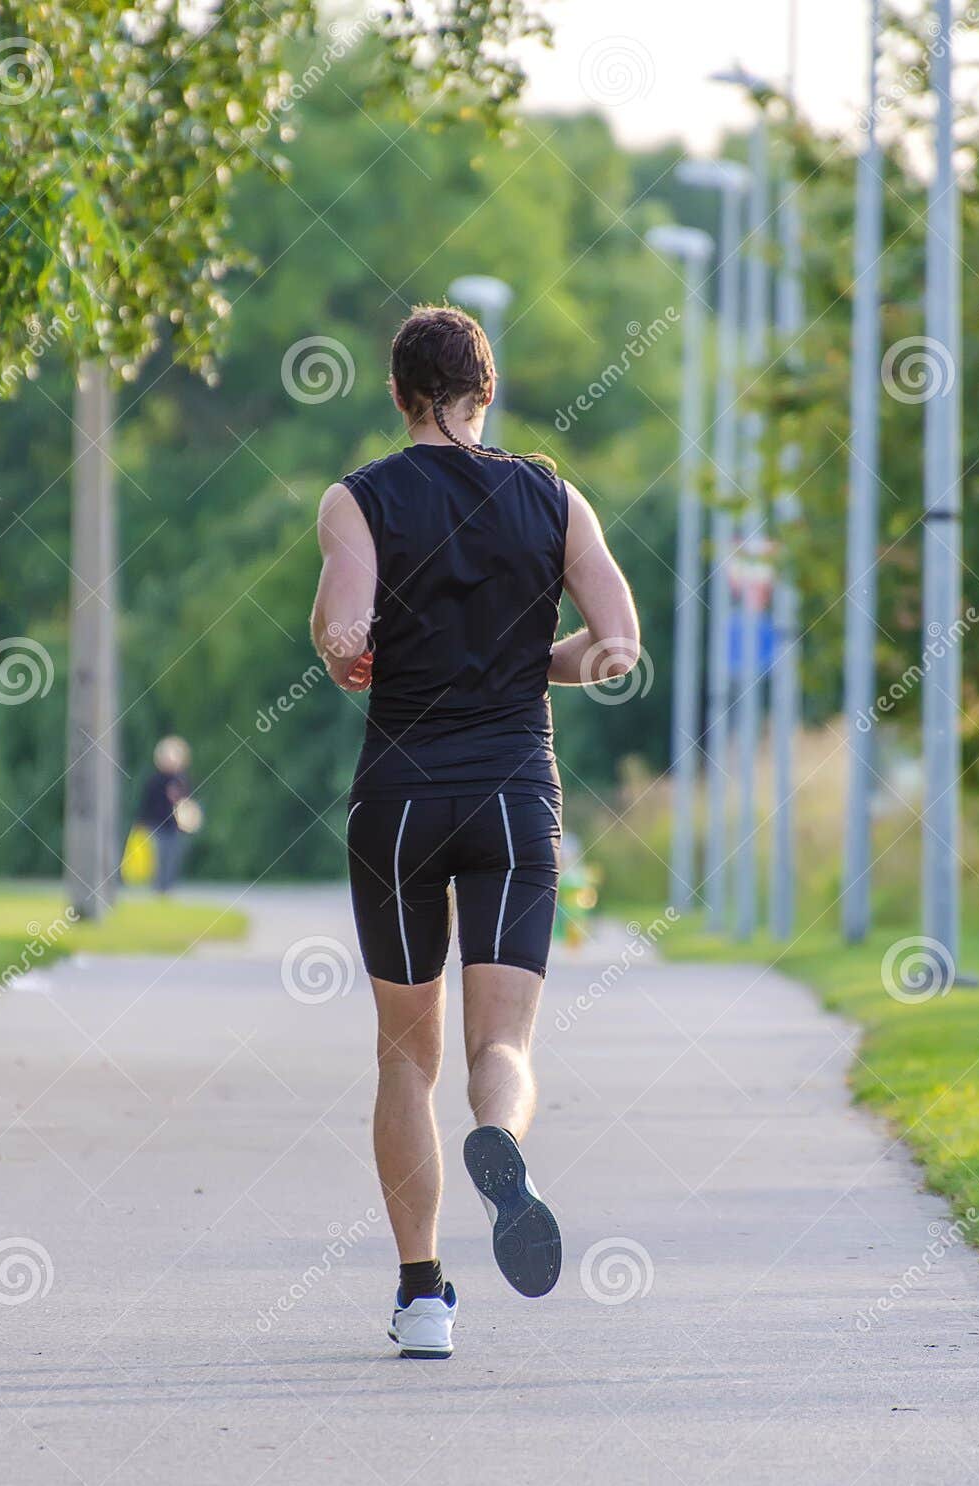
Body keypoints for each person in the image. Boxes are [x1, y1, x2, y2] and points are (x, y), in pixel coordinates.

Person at [311, 304, 639, 1359]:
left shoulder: (356, 500)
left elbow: (342, 637)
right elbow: (616, 647)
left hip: (400, 799)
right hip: (511, 795)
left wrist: (353, 647)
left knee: (403, 1058)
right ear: (484, 390)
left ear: (398, 395)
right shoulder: (550, 491)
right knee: (501, 1044)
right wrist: (525, 660)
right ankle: (500, 1135)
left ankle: (419, 1299)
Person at [135, 736, 194, 894]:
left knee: (172, 856)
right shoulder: (154, 780)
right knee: (158, 856)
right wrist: (142, 822)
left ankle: (168, 887)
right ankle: (158, 887)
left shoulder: (181, 780)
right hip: (156, 824)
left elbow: (187, 802)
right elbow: (146, 802)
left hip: (174, 826)